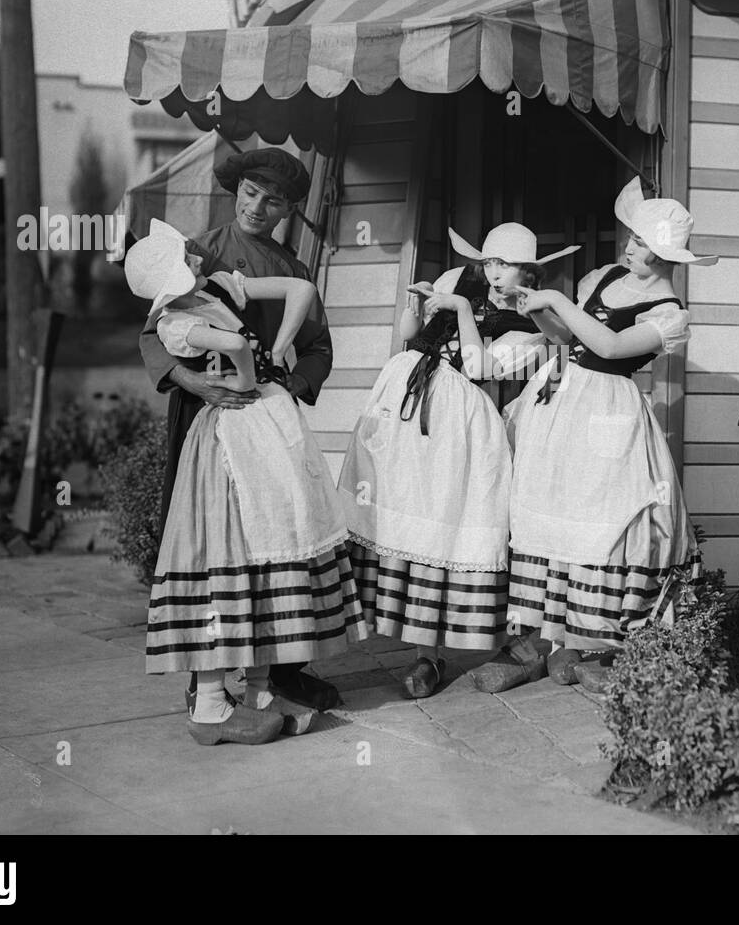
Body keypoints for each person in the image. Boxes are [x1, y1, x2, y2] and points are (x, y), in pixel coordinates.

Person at [126, 219, 366, 745]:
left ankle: (257, 689)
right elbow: (233, 343)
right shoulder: (173, 321)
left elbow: (301, 290)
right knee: (225, 553)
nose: (195, 261)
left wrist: (281, 344)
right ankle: (210, 705)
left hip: (267, 433)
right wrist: (247, 376)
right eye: (183, 262)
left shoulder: (220, 284)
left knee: (273, 545)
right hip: (224, 437)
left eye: (189, 255)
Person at [470, 178, 711, 695]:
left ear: (668, 255)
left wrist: (555, 294)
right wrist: (538, 310)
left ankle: (590, 641)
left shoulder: (669, 314)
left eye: (644, 244)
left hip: (610, 408)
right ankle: (539, 640)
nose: (630, 247)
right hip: (562, 398)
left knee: (601, 517)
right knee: (544, 505)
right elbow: (565, 338)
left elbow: (609, 343)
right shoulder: (604, 276)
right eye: (632, 237)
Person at [338, 224, 577, 698]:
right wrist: (418, 305)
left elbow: (479, 367)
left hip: (460, 420)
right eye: (489, 262)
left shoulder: (534, 325)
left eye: (504, 265)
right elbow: (410, 336)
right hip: (405, 397)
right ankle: (413, 647)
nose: (493, 273)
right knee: (397, 512)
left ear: (528, 271)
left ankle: (432, 652)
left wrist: (463, 311)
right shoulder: (457, 278)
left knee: (442, 524)